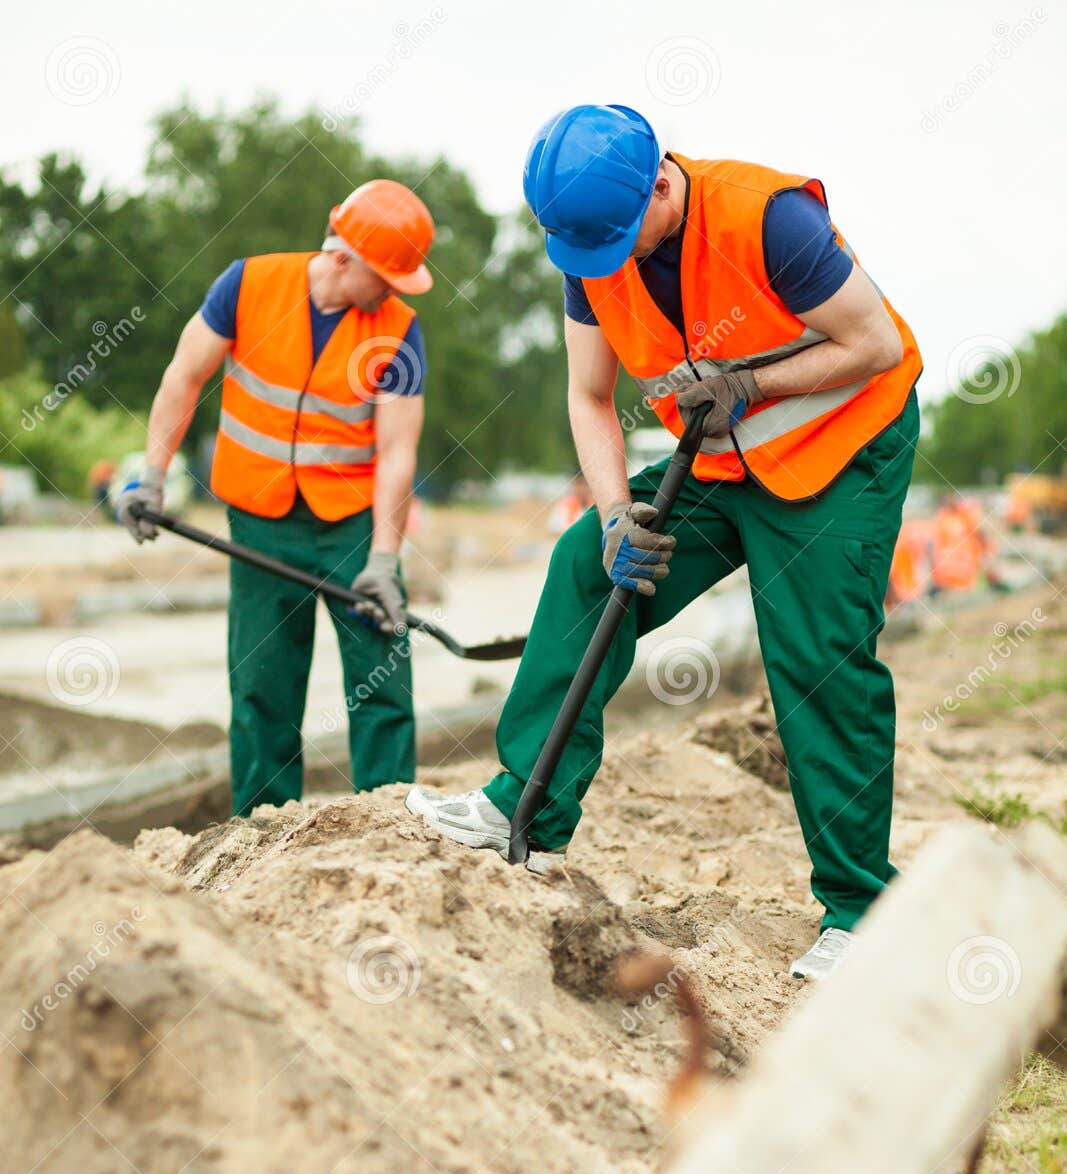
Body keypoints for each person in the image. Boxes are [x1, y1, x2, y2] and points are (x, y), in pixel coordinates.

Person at [408, 105, 921, 982]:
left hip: (837, 453)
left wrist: (746, 384)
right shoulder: (593, 245)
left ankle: (859, 909)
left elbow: (872, 344)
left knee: (818, 655)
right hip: (718, 461)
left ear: (659, 181)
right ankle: (520, 808)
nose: (604, 262)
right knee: (583, 570)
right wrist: (616, 518)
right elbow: (587, 396)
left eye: (615, 238)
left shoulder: (769, 218)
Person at [115, 180, 433, 816]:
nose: (397, 288)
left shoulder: (398, 329)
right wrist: (152, 474)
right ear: (345, 259)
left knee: (382, 680)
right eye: (389, 274)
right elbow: (185, 375)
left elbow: (398, 451)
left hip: (351, 528)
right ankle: (262, 825)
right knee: (263, 684)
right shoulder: (247, 285)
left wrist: (382, 559)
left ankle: (390, 817)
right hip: (260, 518)